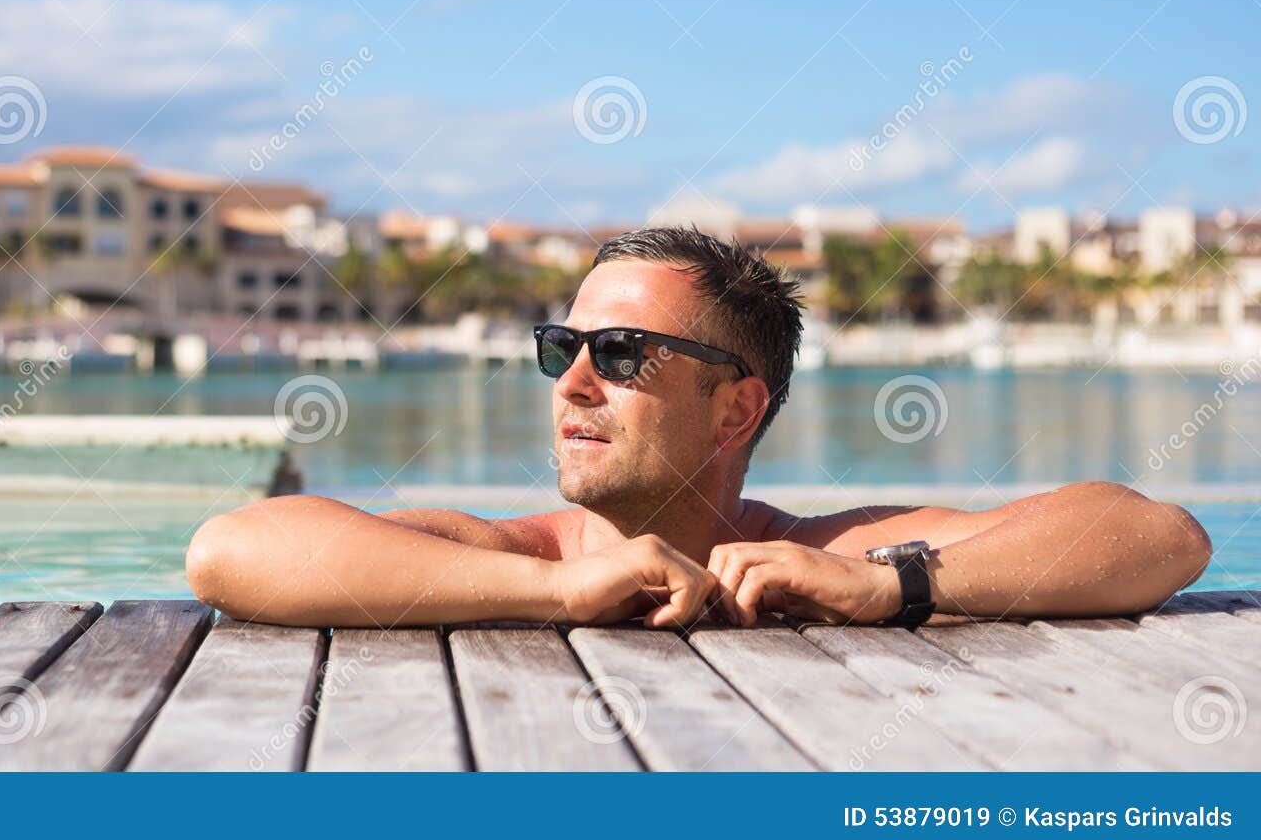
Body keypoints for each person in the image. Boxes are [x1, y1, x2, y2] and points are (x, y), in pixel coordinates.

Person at [185, 226, 1213, 629]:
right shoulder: (512, 553)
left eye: (623, 350)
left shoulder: (821, 554)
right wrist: (552, 589)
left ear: (737, 407)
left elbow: (1157, 536)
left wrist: (895, 582)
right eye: (562, 346)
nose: (575, 380)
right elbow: (229, 549)